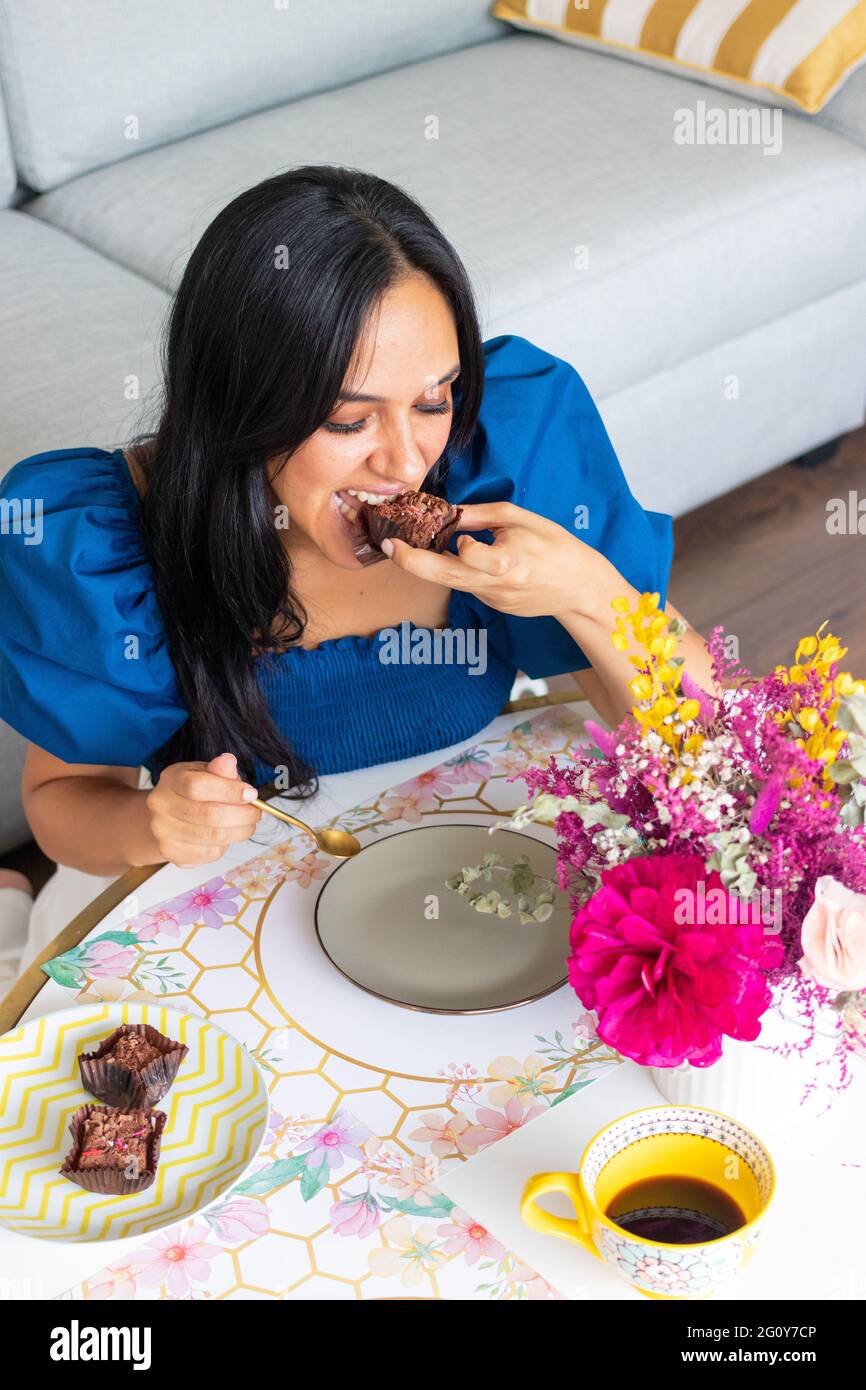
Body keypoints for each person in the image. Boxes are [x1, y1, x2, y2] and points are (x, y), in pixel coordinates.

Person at [0, 164, 716, 976]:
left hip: (459, 901)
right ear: (240, 405)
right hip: (226, 917)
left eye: (434, 399)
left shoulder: (505, 459)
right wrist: (156, 824)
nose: (406, 462)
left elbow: (707, 753)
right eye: (349, 419)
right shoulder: (107, 544)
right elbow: (59, 806)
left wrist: (593, 593)